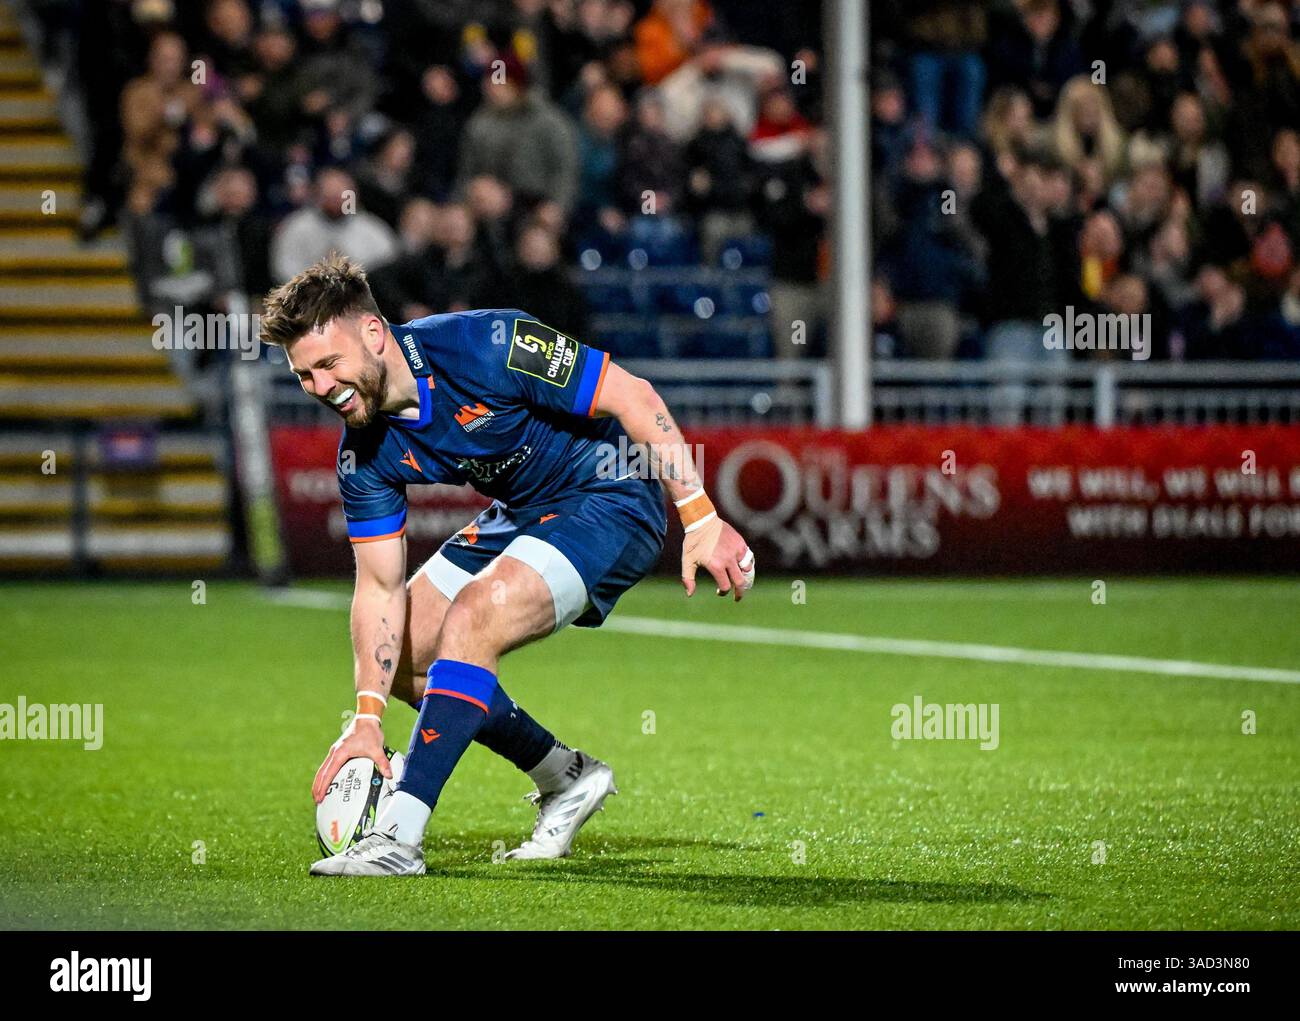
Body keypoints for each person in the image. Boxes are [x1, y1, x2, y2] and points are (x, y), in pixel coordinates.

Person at [258, 254, 755, 876]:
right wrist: (366, 719)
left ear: (374, 335)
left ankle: (399, 836)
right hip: (522, 511)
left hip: (612, 497)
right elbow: (380, 588)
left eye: (329, 365)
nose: (322, 388)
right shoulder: (364, 454)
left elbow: (633, 396)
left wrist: (701, 516)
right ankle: (566, 777)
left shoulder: (489, 343)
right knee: (409, 653)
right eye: (305, 376)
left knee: (474, 615)